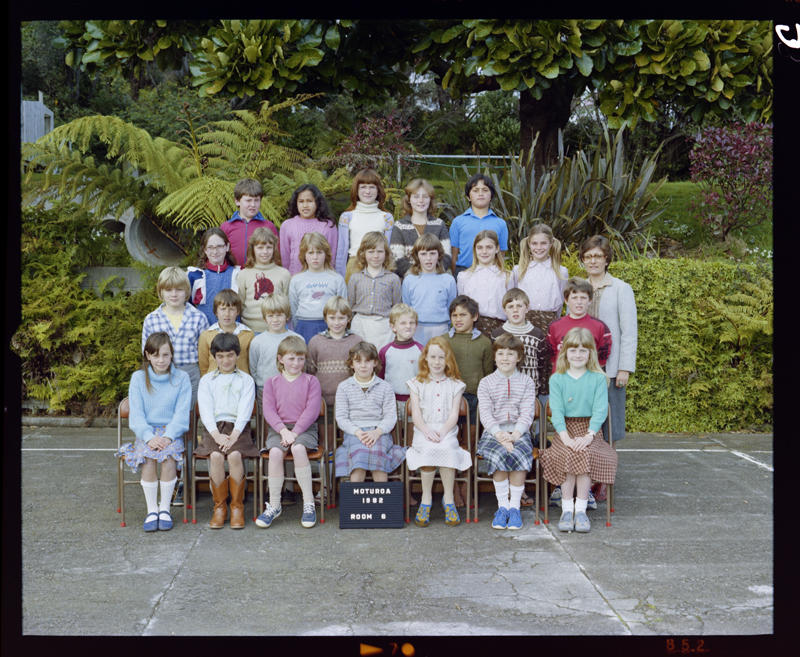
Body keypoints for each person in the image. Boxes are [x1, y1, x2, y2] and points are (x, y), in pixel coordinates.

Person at [540, 327, 618, 534]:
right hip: (564, 430)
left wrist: (589, 435)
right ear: (565, 352)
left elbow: (600, 410)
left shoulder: (597, 378)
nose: (578, 355)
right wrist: (565, 437)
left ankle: (581, 510)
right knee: (568, 452)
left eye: (583, 351)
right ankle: (567, 510)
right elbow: (556, 411)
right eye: (573, 350)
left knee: (585, 452)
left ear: (591, 353)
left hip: (590, 430)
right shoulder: (558, 379)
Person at [580, 234, 637, 502]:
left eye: (598, 256)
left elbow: (629, 331)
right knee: (586, 423)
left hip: (611, 367)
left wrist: (624, 368)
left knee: (609, 425)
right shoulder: (578, 288)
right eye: (588, 256)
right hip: (583, 368)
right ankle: (586, 475)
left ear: (607, 259)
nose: (593, 261)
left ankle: (605, 479)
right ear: (583, 260)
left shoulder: (621, 288)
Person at [117, 332, 191, 532]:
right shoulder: (139, 378)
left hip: (171, 432)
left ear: (171, 355)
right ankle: (152, 510)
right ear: (148, 355)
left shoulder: (181, 378)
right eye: (156, 355)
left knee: (168, 458)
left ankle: (165, 509)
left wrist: (167, 436)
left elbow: (182, 413)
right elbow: (137, 415)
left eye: (166, 355)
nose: (161, 360)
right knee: (148, 459)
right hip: (146, 432)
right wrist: (149, 437)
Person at [490, 288, 547, 508]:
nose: (515, 310)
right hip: (504, 397)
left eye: (519, 306)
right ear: (504, 309)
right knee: (506, 440)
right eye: (510, 306)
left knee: (524, 437)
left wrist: (541, 392)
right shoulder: (496, 333)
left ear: (527, 308)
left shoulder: (538, 334)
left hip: (529, 394)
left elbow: (543, 365)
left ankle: (520, 490)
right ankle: (511, 495)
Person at [406, 336, 472, 527]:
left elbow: (453, 415)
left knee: (448, 449)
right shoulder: (416, 383)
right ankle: (426, 499)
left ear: (448, 359)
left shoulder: (455, 384)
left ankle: (449, 499)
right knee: (427, 450)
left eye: (441, 357)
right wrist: (426, 431)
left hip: (447, 429)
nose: (437, 362)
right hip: (423, 430)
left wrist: (443, 432)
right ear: (425, 358)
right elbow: (416, 414)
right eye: (433, 357)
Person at [257, 336, 322, 529]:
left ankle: (308, 503)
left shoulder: (311, 381)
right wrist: (283, 431)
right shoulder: (272, 382)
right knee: (276, 453)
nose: (296, 363)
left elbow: (312, 409)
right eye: (292, 358)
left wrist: (295, 433)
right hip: (279, 428)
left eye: (301, 359)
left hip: (305, 428)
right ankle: (275, 505)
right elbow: (268, 410)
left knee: (299, 449)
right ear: (280, 359)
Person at [195, 332, 257, 529]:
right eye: (220, 356)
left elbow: (245, 409)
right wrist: (215, 434)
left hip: (238, 428)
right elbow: (205, 410)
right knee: (215, 456)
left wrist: (235, 434)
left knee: (235, 455)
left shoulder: (246, 380)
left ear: (237, 355)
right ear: (214, 357)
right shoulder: (207, 381)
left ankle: (237, 506)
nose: (226, 360)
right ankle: (219, 506)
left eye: (230, 355)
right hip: (214, 428)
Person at [476, 333, 537, 531]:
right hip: (493, 433)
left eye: (511, 354)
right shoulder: (486, 383)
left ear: (518, 357)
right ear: (494, 357)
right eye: (501, 353)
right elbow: (485, 414)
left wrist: (515, 435)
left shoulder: (527, 382)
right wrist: (500, 436)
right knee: (500, 453)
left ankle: (515, 508)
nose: (505, 358)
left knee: (518, 452)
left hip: (519, 432)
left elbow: (527, 413)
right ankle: (502, 507)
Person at [440, 294, 494, 507]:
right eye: (454, 315)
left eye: (463, 315)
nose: (458, 319)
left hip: (474, 400)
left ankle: (467, 486)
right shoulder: (445, 340)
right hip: (449, 400)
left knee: (470, 445)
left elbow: (488, 373)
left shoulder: (483, 342)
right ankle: (452, 489)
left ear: (475, 316)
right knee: (452, 444)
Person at [511, 223, 568, 402]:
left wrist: (552, 322)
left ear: (551, 244)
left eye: (543, 243)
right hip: (524, 325)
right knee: (525, 365)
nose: (539, 248)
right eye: (535, 243)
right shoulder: (518, 270)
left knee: (546, 367)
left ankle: (543, 417)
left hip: (550, 324)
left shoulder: (560, 271)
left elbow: (560, 303)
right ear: (529, 244)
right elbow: (513, 298)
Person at [334, 342, 405, 483]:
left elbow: (390, 417)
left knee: (378, 457)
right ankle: (356, 504)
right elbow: (341, 418)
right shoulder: (344, 387)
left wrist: (377, 432)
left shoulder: (385, 387)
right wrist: (358, 432)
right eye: (358, 361)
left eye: (368, 361)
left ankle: (381, 503)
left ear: (375, 363)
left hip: (380, 433)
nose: (363, 365)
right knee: (359, 458)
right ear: (351, 364)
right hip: (354, 433)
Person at [142, 266, 209, 408]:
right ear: (161, 291)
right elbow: (146, 354)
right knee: (163, 420)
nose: (174, 294)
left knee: (187, 421)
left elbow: (205, 353)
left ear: (186, 291)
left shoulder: (198, 318)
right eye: (168, 290)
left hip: (191, 375)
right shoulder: (152, 319)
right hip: (160, 375)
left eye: (179, 289)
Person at [307, 295, 364, 460]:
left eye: (341, 318)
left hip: (350, 401)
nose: (337, 322)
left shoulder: (356, 341)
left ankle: (346, 472)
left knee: (349, 440)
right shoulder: (316, 341)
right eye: (332, 318)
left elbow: (360, 371)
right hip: (325, 400)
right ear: (325, 318)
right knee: (327, 442)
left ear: (349, 319)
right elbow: (310, 371)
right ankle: (328, 473)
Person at [248, 293, 302, 417]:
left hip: (292, 388)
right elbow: (253, 368)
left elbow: (302, 365)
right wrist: (261, 383)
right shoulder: (257, 342)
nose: (275, 320)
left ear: (287, 316)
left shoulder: (297, 339)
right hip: (266, 389)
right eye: (271, 316)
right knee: (267, 421)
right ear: (264, 318)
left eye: (279, 315)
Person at [334, 168, 394, 282]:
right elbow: (341, 251)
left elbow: (388, 249)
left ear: (378, 190)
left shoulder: (386, 218)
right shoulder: (347, 217)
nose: (368, 191)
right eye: (363, 187)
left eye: (372, 187)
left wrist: (388, 272)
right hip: (354, 266)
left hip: (378, 267)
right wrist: (339, 277)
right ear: (356, 190)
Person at [346, 231, 402, 352]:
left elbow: (396, 306)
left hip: (384, 326)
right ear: (363, 254)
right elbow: (349, 305)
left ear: (386, 253)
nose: (375, 256)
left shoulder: (393, 279)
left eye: (380, 251)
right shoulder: (355, 278)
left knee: (381, 359)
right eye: (371, 251)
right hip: (360, 324)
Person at [289, 232, 347, 345]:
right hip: (304, 326)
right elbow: (293, 307)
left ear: (326, 254)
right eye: (310, 253)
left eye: (319, 252)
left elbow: (344, 307)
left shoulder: (336, 279)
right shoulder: (296, 280)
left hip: (329, 327)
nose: (315, 257)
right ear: (304, 255)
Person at [401, 233, 457, 346]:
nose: (428, 258)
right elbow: (407, 306)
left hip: (441, 328)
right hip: (417, 329)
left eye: (432, 253)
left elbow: (451, 307)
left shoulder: (448, 280)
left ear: (439, 255)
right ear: (417, 256)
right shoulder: (409, 280)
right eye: (423, 254)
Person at [547, 277, 613, 373]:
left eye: (583, 298)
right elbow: (552, 357)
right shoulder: (554, 326)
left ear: (590, 300)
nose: (579, 302)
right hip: (561, 380)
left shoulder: (600, 327)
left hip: (588, 380)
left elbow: (602, 358)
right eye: (574, 298)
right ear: (566, 300)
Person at [389, 178, 451, 278]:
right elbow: (397, 259)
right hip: (409, 281)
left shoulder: (439, 224)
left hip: (436, 278)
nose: (421, 201)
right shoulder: (399, 226)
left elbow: (447, 256)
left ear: (430, 199)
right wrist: (418, 275)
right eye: (416, 197)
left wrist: (432, 274)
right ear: (409, 199)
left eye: (425, 197)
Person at [449, 173, 508, 276]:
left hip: (491, 272)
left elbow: (501, 254)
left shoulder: (500, 223)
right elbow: (453, 254)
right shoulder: (458, 222)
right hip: (463, 271)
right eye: (475, 190)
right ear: (468, 197)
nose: (480, 194)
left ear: (491, 196)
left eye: (485, 190)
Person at [456, 229, 512, 338]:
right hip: (472, 329)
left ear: (497, 249)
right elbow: (462, 306)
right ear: (475, 250)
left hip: (500, 328)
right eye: (480, 247)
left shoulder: (506, 276)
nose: (484, 252)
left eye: (489, 247)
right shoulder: (464, 276)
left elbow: (510, 305)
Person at [237, 227, 290, 334]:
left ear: (274, 248)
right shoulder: (243, 274)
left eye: (269, 247)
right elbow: (240, 304)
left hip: (277, 330)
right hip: (250, 330)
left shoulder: (284, 274)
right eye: (260, 248)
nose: (265, 252)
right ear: (252, 249)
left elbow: (288, 304)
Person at [279, 184, 338, 276]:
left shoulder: (328, 226)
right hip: (294, 278)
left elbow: (331, 257)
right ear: (296, 203)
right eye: (301, 201)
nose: (305, 205)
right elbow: (284, 257)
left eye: (309, 201)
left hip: (322, 279)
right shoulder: (287, 225)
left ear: (317, 203)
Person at [187, 227, 242, 327]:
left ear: (227, 247)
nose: (215, 251)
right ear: (205, 250)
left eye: (219, 246)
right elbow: (186, 306)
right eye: (210, 247)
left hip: (232, 334)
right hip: (204, 333)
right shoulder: (195, 275)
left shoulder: (238, 274)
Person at [378, 303, 424, 418]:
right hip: (391, 402)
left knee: (411, 434)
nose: (408, 326)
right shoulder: (385, 351)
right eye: (403, 323)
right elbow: (380, 378)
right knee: (395, 434)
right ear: (393, 327)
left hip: (414, 401)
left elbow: (425, 378)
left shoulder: (421, 351)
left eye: (411, 322)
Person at [220, 178, 278, 268]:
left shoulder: (268, 226)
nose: (253, 205)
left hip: (260, 276)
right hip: (234, 276)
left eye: (256, 200)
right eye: (248, 200)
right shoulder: (226, 227)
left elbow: (276, 256)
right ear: (237, 201)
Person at [198, 289, 254, 376]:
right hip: (214, 383)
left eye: (231, 309)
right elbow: (203, 365)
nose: (227, 314)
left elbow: (251, 364)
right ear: (216, 311)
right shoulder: (206, 335)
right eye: (223, 309)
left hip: (241, 383)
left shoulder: (248, 334)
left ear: (238, 311)